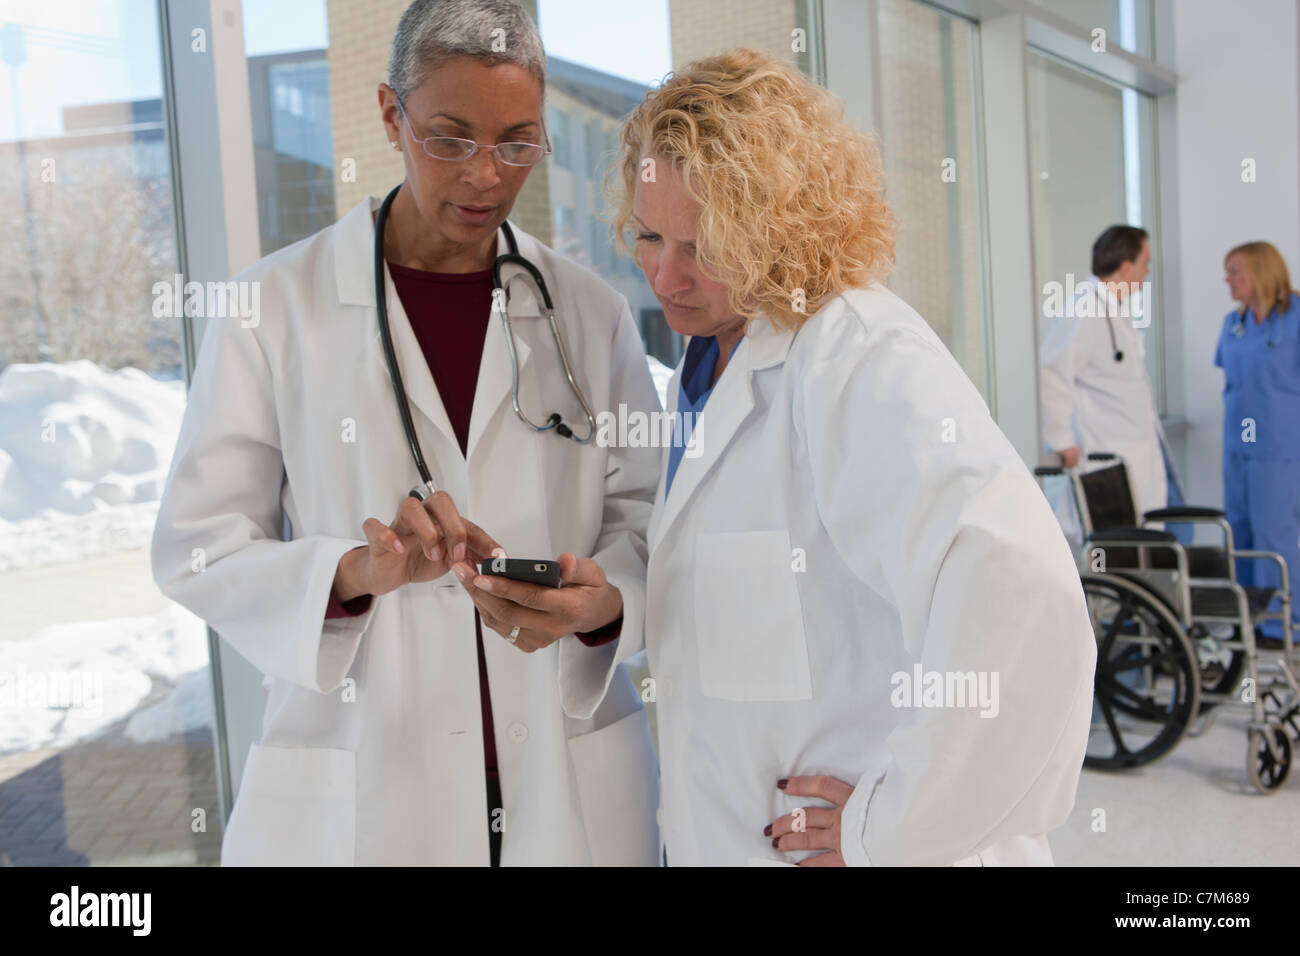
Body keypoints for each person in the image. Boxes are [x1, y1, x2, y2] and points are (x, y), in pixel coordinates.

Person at [151, 0, 660, 866]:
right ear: (393, 115)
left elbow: (648, 521)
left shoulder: (590, 313)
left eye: (517, 142)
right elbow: (197, 548)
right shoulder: (272, 310)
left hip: (567, 794)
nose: (485, 176)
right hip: (365, 789)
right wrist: (353, 574)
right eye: (451, 138)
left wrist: (606, 601)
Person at [599, 48, 1095, 866]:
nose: (666, 275)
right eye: (650, 236)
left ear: (775, 225)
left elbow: (1020, 589)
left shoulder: (853, 352)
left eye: (706, 246)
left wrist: (893, 827)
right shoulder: (708, 363)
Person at [1040, 225, 1172, 534]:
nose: (1147, 272)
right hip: (1105, 459)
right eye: (1145, 263)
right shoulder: (1083, 310)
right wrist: (1063, 442)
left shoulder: (1113, 310)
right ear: (1126, 267)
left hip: (1133, 455)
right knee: (1118, 556)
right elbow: (1052, 372)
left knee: (1145, 547)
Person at [1216, 240, 1300, 640]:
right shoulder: (1234, 323)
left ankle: (1284, 622)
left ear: (1261, 272)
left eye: (1235, 271)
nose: (1228, 280)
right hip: (1237, 445)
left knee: (1273, 534)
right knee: (1239, 530)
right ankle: (1247, 618)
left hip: (1280, 448)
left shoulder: (1295, 318)